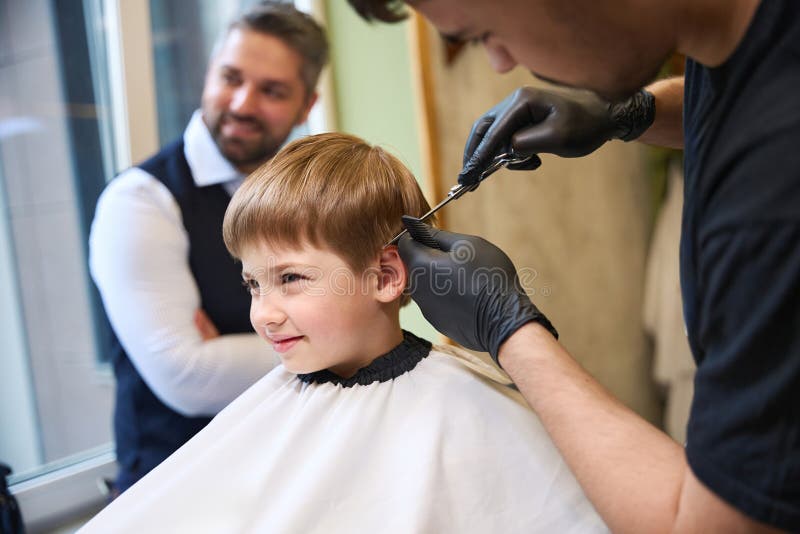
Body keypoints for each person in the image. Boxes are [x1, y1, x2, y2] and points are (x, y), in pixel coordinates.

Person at [346, 0, 799, 532]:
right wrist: (633, 113)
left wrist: (507, 328)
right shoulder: (748, 32)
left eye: (486, 32)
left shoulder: (773, 205)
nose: (499, 62)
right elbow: (729, 88)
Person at [78, 133, 607, 533]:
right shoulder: (265, 409)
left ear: (385, 276)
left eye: (290, 279)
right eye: (253, 286)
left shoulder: (469, 407)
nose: (262, 314)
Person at [89, 2, 328, 494]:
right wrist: (331, 338)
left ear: (307, 106)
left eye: (272, 91)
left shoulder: (311, 197)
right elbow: (188, 378)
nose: (242, 103)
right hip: (175, 492)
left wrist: (232, 348)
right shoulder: (141, 201)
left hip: (290, 474)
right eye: (230, 78)